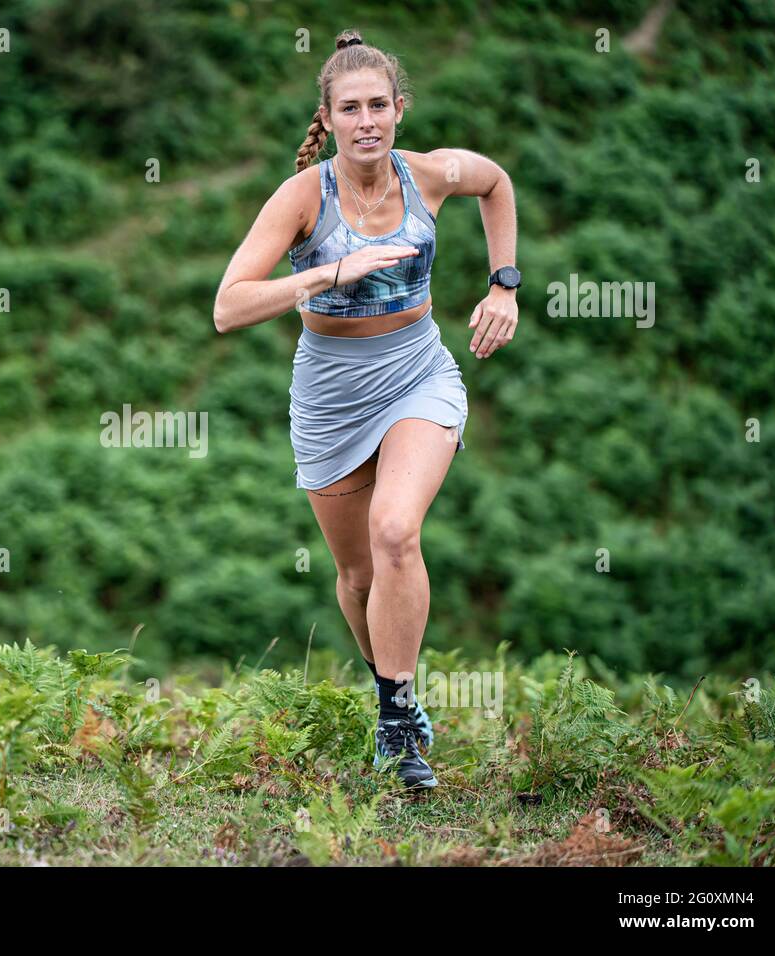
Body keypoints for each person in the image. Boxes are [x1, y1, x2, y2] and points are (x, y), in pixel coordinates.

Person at [212, 29, 520, 788]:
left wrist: (504, 284)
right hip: (330, 394)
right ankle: (396, 696)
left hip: (418, 373)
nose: (367, 121)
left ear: (400, 109)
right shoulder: (301, 198)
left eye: (379, 105)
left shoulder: (431, 174)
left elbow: (497, 183)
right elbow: (228, 306)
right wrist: (328, 274)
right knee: (355, 577)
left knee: (395, 533)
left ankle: (396, 723)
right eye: (350, 108)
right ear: (328, 117)